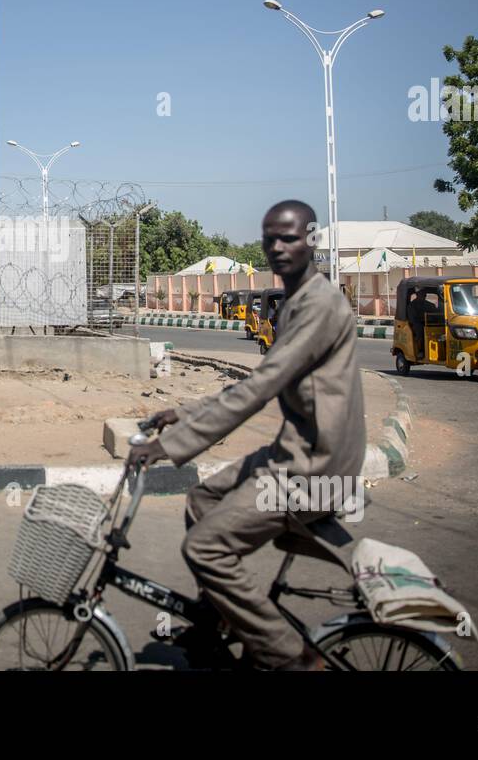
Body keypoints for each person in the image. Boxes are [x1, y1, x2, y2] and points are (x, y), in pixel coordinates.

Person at [127, 200, 366, 671]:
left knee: (203, 548)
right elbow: (254, 383)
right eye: (269, 238)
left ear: (311, 241)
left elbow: (260, 388)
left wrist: (170, 447)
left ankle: (290, 658)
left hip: (315, 466)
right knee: (202, 500)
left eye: (289, 237)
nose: (277, 247)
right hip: (295, 449)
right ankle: (219, 622)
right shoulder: (296, 301)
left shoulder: (319, 304)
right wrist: (184, 412)